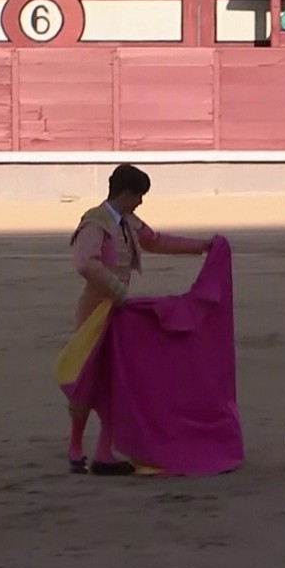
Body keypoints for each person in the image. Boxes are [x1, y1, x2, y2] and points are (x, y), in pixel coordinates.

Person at [65, 163, 213, 475]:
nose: (141, 202)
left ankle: (104, 453)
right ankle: (76, 447)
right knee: (88, 381)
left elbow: (156, 241)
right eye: (139, 196)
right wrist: (119, 291)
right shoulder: (96, 222)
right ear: (126, 193)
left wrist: (201, 247)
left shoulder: (125, 221)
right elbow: (85, 264)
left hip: (117, 313)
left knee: (116, 382)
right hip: (94, 314)